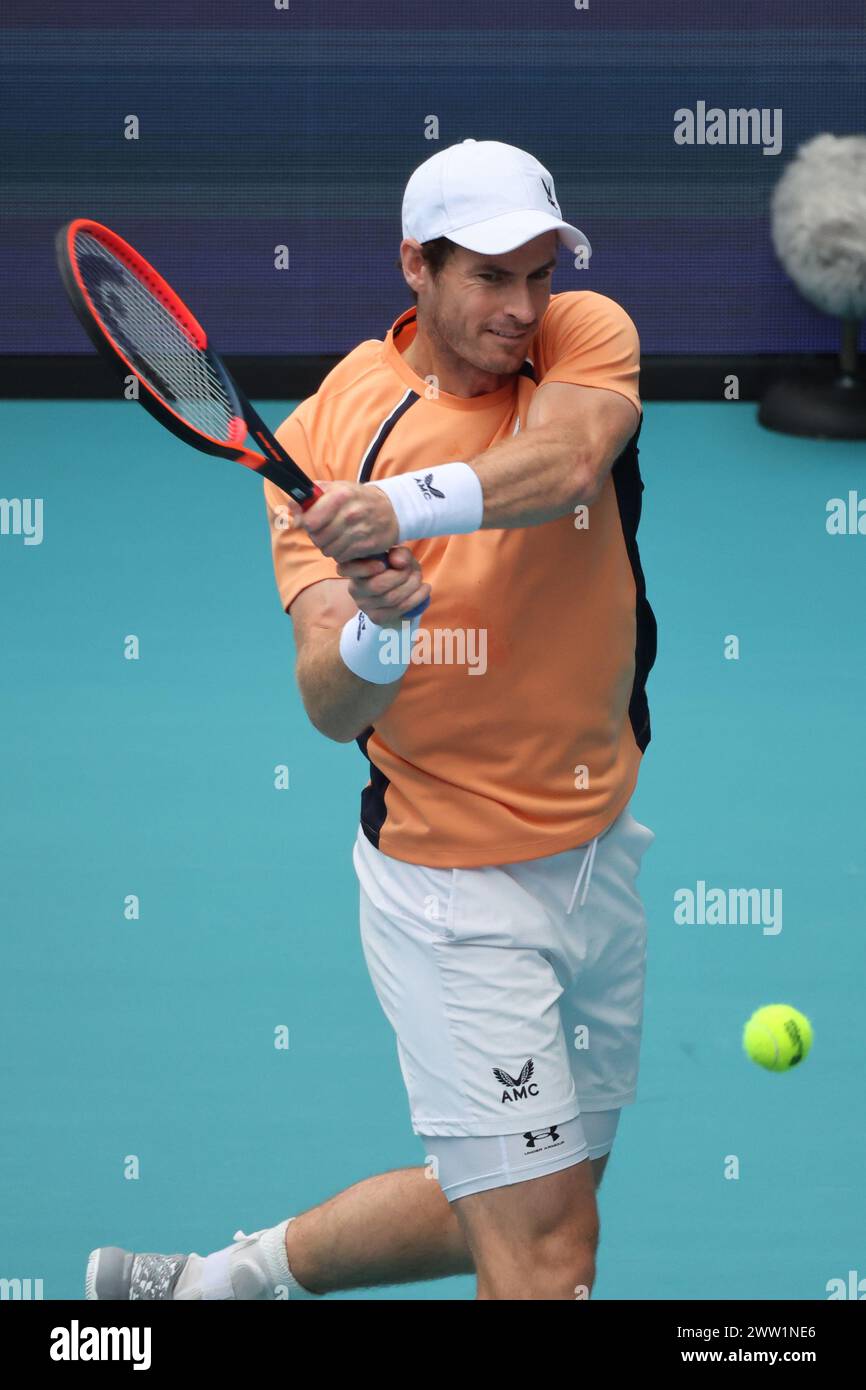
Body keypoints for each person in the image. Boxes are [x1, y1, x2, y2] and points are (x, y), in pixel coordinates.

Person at [85, 138, 657, 1303]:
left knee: (527, 1202)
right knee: (545, 1253)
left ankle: (211, 1286)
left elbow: (567, 460)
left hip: (597, 850)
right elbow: (326, 702)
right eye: (490, 276)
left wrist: (395, 509)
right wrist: (380, 627)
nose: (522, 305)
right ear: (414, 263)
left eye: (536, 273)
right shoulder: (322, 436)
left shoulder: (583, 333)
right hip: (456, 892)